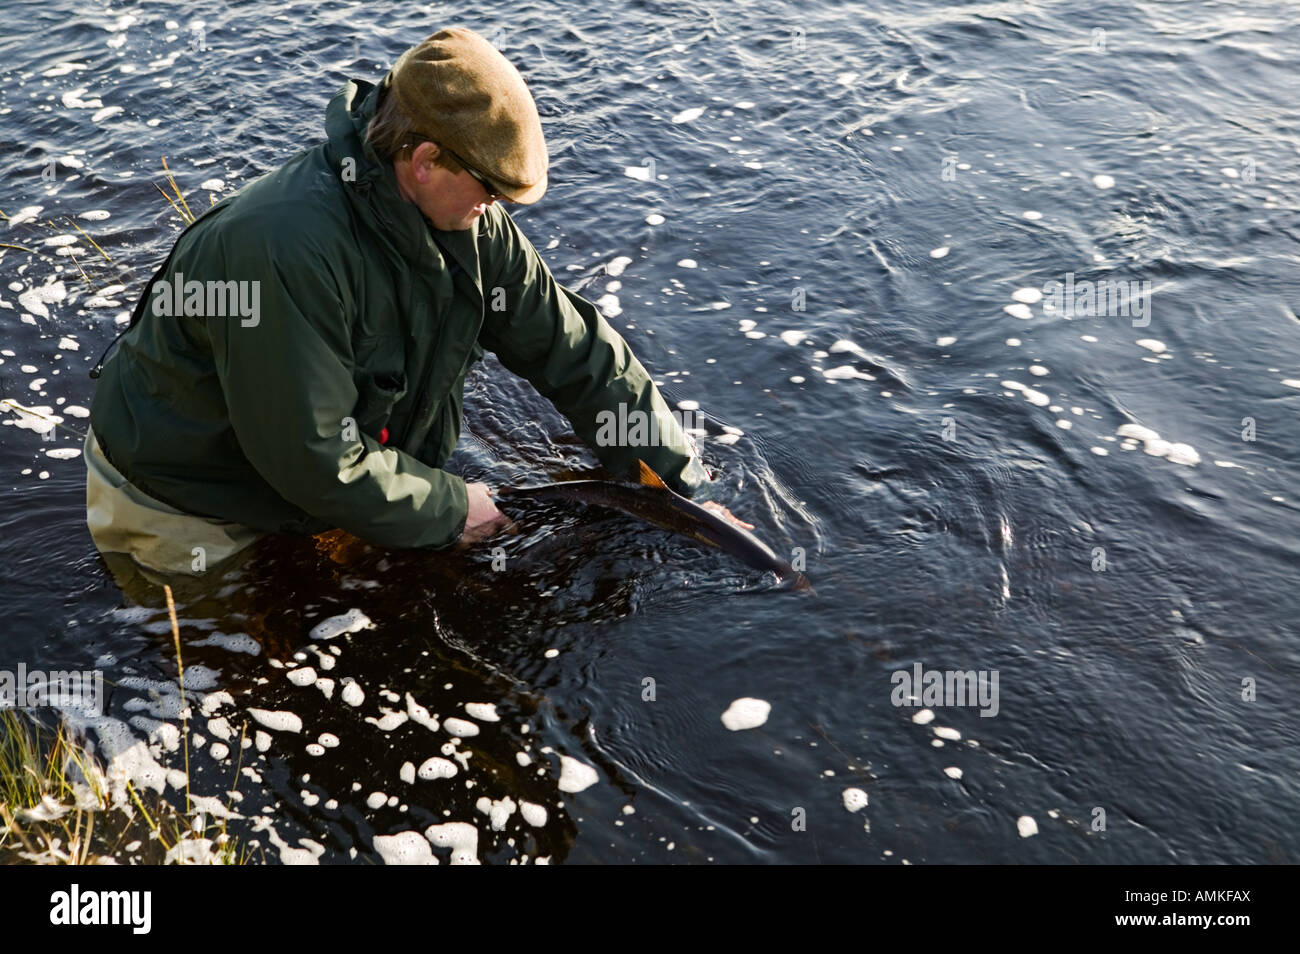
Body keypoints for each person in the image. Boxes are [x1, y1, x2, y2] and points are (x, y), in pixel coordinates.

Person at [85, 26, 731, 577]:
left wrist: (682, 493)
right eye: (489, 189)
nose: (495, 209)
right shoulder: (283, 248)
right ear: (424, 159)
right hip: (186, 504)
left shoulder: (469, 226)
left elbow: (577, 354)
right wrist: (451, 508)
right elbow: (312, 456)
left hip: (309, 488)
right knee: (220, 677)